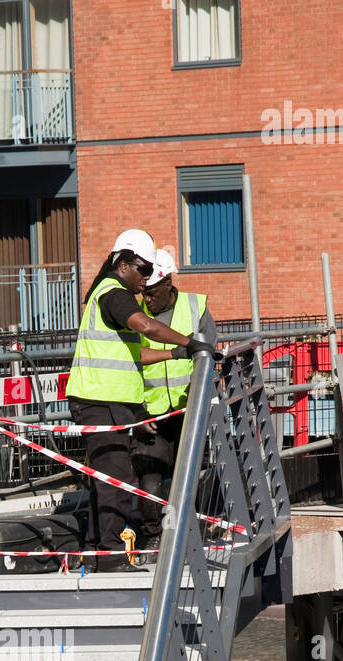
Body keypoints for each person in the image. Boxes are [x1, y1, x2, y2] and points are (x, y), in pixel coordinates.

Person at [65, 229, 209, 572]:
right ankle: (111, 558)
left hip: (109, 402)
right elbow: (146, 326)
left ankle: (100, 550)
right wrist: (190, 343)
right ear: (124, 263)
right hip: (98, 401)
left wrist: (174, 352)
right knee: (113, 480)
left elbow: (134, 355)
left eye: (149, 273)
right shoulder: (114, 294)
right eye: (143, 270)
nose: (146, 280)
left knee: (112, 478)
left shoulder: (113, 294)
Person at [131, 250, 218, 554]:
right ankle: (155, 535)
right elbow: (129, 362)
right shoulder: (135, 313)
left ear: (168, 283)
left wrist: (198, 394)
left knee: (194, 476)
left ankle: (196, 532)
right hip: (151, 414)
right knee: (149, 481)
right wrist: (137, 412)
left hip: (188, 410)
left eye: (152, 292)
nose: (147, 298)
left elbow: (208, 355)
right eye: (143, 291)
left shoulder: (195, 307)